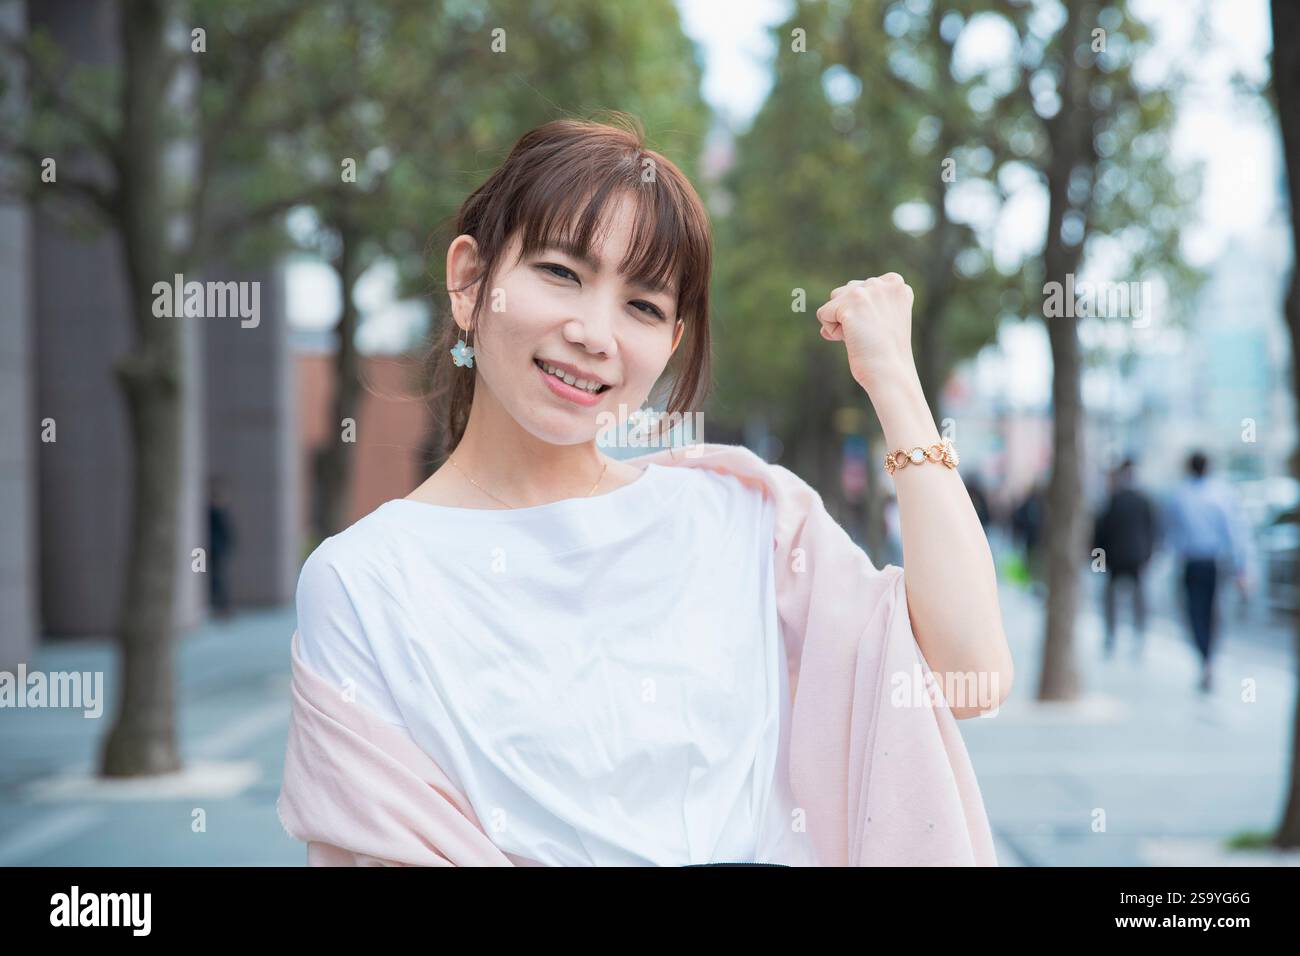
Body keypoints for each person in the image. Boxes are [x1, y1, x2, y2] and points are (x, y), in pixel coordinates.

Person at [284, 115, 1011, 866]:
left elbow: (972, 672)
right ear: (470, 281)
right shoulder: (362, 583)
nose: (595, 333)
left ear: (669, 344)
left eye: (643, 306)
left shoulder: (745, 517)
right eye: (561, 273)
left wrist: (894, 380)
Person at [1162, 451, 1249, 693]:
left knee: (1196, 612)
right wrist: (1242, 567)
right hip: (1211, 563)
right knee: (1211, 612)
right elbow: (1235, 532)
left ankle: (1206, 657)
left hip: (1195, 563)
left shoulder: (1180, 496)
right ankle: (1208, 657)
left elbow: (1171, 535)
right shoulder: (1220, 494)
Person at [1091, 458, 1158, 660]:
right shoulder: (1143, 500)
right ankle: (1138, 635)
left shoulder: (1114, 499)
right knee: (1137, 596)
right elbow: (1152, 531)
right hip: (1135, 557)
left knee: (1113, 597)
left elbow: (1099, 534)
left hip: (1116, 558)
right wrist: (1148, 554)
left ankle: (1113, 636)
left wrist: (1098, 563)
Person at [207, 476, 236, 619]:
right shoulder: (216, 510)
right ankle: (220, 607)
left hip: (213, 551)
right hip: (210, 551)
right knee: (215, 578)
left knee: (216, 578)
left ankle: (220, 607)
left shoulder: (217, 510)